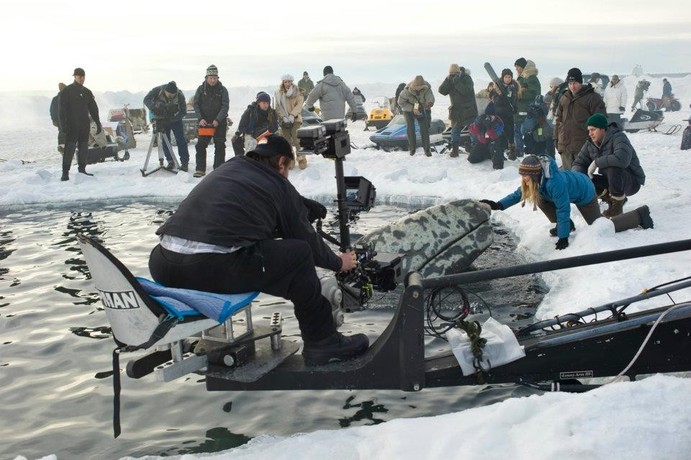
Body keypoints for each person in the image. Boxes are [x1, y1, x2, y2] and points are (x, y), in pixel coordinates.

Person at [148, 134, 368, 366]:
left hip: (163, 264)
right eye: (288, 169)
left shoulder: (231, 168)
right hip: (209, 268)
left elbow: (247, 203)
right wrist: (339, 262)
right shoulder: (277, 184)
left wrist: (300, 205)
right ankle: (323, 343)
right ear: (281, 162)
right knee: (300, 254)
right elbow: (306, 239)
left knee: (257, 251)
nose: (287, 176)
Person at [480, 155, 653, 251]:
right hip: (572, 187)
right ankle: (567, 226)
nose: (523, 178)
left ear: (534, 174)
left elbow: (563, 209)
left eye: (525, 175)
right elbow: (519, 194)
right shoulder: (535, 180)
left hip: (584, 191)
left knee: (599, 227)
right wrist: (498, 205)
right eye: (522, 174)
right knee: (540, 198)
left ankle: (639, 216)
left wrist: (563, 238)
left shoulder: (555, 183)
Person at [572, 113, 646, 217]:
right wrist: (580, 178)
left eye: (593, 130)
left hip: (631, 182)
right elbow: (579, 163)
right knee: (584, 180)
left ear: (603, 129)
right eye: (589, 130)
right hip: (611, 180)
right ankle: (611, 200)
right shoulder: (590, 143)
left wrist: (596, 162)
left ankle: (617, 207)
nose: (590, 133)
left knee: (613, 167)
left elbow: (622, 159)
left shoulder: (619, 137)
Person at [555, 67, 606, 170]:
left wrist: (594, 144)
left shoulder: (592, 98)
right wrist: (556, 139)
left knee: (580, 177)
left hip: (583, 148)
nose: (572, 86)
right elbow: (558, 121)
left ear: (581, 82)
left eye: (575, 83)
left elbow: (600, 122)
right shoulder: (564, 98)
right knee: (568, 177)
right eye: (570, 84)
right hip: (565, 147)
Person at [59, 68, 102, 181]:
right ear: (75, 77)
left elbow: (93, 109)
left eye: (83, 77)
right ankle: (65, 173)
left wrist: (98, 122)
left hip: (84, 125)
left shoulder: (87, 92)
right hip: (72, 126)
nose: (82, 79)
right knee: (70, 149)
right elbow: (62, 110)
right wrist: (63, 125)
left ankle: (82, 170)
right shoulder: (67, 91)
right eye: (79, 76)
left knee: (83, 148)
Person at [192, 65, 229, 178]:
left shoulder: (223, 90)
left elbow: (225, 106)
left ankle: (218, 170)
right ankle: (200, 169)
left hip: (219, 123)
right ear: (206, 78)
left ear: (217, 78)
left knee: (220, 145)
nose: (213, 80)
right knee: (200, 145)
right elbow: (196, 104)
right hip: (205, 123)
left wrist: (218, 120)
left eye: (215, 78)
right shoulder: (200, 89)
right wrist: (200, 119)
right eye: (211, 78)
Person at [144, 81, 190, 171]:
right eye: (168, 94)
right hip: (161, 119)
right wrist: (153, 108)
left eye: (172, 95)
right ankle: (170, 161)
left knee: (181, 140)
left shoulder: (180, 95)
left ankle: (184, 163)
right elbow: (146, 99)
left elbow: (183, 111)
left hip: (175, 119)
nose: (170, 96)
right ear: (165, 90)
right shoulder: (157, 90)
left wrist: (173, 118)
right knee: (165, 141)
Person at [438, 64, 478, 157]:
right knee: (455, 131)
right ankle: (455, 150)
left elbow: (466, 91)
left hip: (469, 110)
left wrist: (457, 82)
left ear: (459, 72)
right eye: (451, 74)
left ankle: (475, 149)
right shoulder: (450, 79)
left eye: (454, 74)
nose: (453, 76)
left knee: (472, 130)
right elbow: (442, 91)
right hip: (456, 110)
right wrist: (447, 79)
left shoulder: (467, 78)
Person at [274, 73, 307, 169]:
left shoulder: (297, 92)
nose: (287, 84)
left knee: (297, 140)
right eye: (285, 82)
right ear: (283, 82)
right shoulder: (278, 93)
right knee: (287, 141)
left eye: (289, 82)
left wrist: (292, 115)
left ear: (292, 82)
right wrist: (283, 117)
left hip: (295, 119)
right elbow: (277, 107)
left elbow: (299, 105)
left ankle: (301, 159)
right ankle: (289, 159)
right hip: (284, 121)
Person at [231, 92, 279, 156]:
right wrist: (251, 131)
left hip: (266, 134)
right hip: (251, 134)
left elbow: (275, 127)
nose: (266, 105)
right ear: (258, 102)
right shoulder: (250, 111)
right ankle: (247, 161)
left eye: (267, 103)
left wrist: (267, 130)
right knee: (252, 146)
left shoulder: (272, 112)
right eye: (264, 103)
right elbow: (241, 126)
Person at [398, 75, 435, 156]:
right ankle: (412, 149)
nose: (418, 90)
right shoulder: (406, 91)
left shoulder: (427, 89)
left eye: (420, 88)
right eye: (417, 88)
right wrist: (413, 108)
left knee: (424, 127)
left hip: (419, 107)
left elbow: (430, 97)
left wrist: (429, 104)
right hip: (408, 109)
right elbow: (400, 103)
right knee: (410, 127)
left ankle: (427, 150)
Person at [514, 58, 542, 158]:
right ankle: (520, 150)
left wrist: (520, 94)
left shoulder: (531, 78)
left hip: (526, 110)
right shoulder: (523, 78)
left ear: (523, 67)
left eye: (518, 67)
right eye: (516, 67)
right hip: (521, 110)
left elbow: (534, 93)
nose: (516, 69)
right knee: (518, 130)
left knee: (523, 131)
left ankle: (523, 150)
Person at [489, 68, 519, 159]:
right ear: (503, 77)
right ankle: (500, 153)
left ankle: (512, 152)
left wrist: (515, 107)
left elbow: (515, 100)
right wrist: (502, 96)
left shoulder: (513, 87)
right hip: (500, 115)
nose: (507, 79)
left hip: (509, 114)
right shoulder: (497, 88)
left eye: (509, 77)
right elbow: (496, 102)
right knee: (501, 134)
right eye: (506, 77)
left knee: (511, 133)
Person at [50, 82, 66, 153]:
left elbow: (52, 111)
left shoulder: (55, 99)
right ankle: (62, 147)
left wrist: (54, 120)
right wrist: (54, 120)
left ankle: (62, 147)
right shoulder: (56, 99)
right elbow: (52, 110)